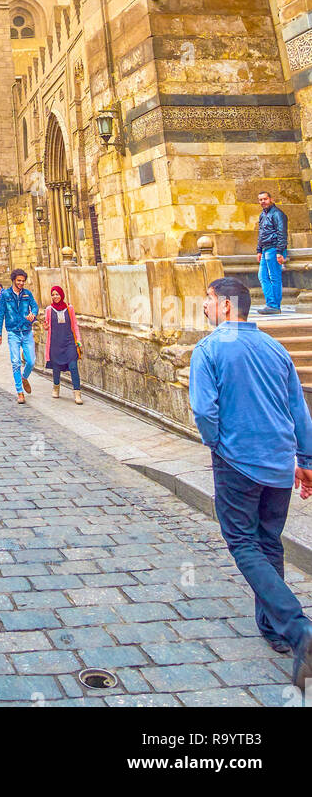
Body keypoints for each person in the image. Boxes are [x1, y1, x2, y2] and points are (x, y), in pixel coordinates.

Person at [189, 276, 312, 690]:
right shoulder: (276, 348)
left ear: (225, 306)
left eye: (207, 301)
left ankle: (298, 630)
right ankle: (273, 628)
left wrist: (217, 443)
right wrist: (306, 459)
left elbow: (204, 410)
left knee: (243, 543)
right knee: (269, 541)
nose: (203, 307)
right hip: (279, 464)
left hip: (238, 461)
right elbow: (298, 409)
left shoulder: (208, 349)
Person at [0, 268, 39, 405]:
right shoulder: (5, 294)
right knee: (16, 362)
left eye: (23, 281)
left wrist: (34, 314)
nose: (21, 283)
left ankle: (24, 377)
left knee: (31, 361)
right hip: (13, 332)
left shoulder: (27, 294)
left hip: (26, 331)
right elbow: (0, 314)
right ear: (14, 280)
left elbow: (35, 307)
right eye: (19, 281)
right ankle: (20, 392)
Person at [44, 285, 83, 404]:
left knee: (73, 366)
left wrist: (78, 340)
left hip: (69, 342)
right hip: (55, 342)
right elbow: (47, 325)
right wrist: (45, 326)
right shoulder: (49, 309)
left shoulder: (69, 308)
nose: (55, 296)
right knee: (56, 368)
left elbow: (74, 324)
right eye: (53, 294)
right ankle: (56, 386)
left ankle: (77, 393)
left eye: (57, 294)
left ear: (62, 295)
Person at [256, 190, 288, 315]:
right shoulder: (262, 215)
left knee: (274, 277)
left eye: (265, 199)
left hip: (274, 249)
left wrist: (279, 251)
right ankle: (271, 303)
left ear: (271, 199)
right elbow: (261, 233)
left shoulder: (278, 214)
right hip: (265, 250)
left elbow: (282, 233)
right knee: (262, 276)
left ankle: (274, 306)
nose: (263, 202)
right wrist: (259, 250)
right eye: (260, 200)